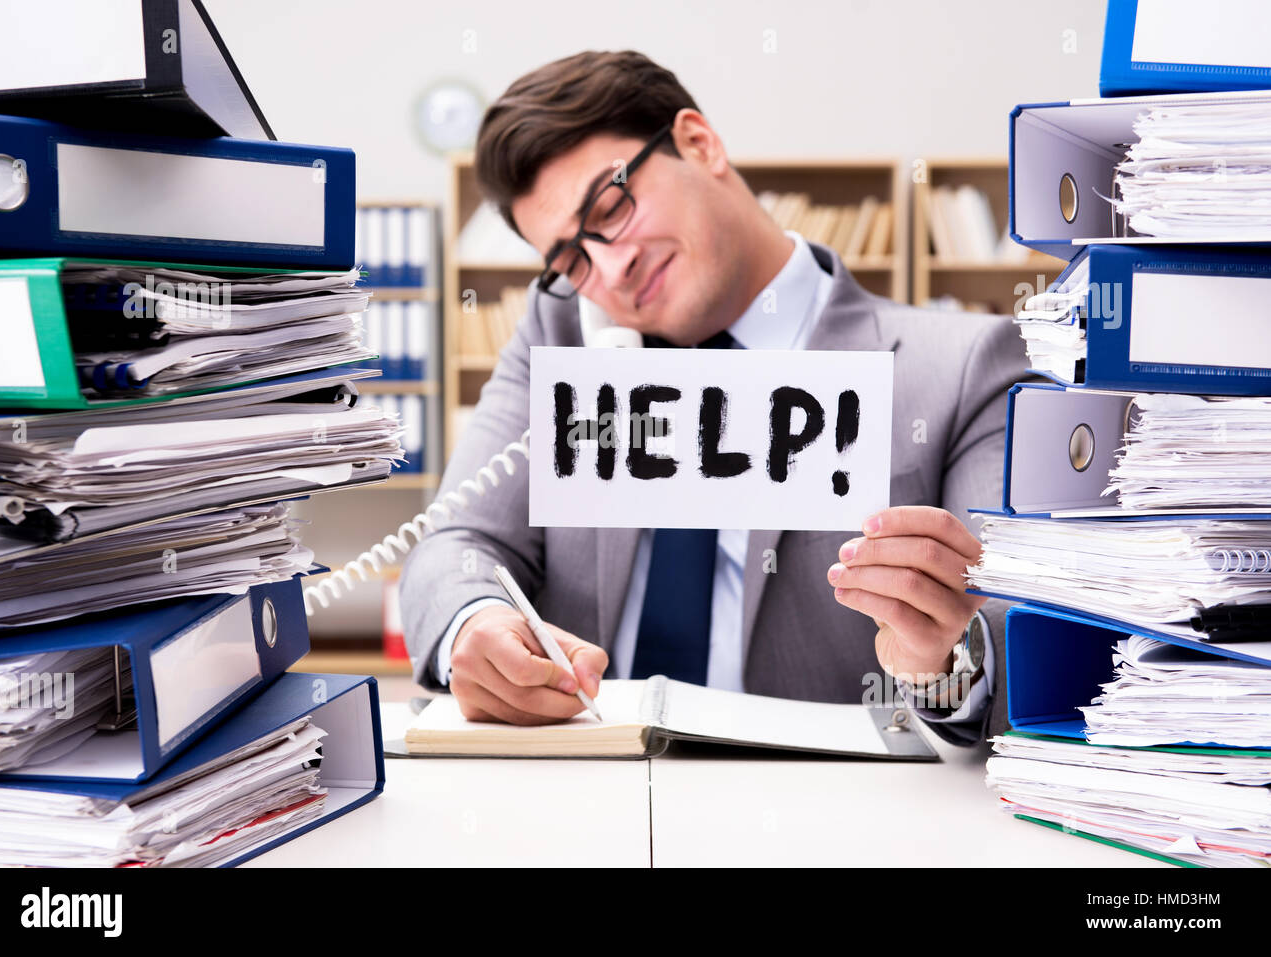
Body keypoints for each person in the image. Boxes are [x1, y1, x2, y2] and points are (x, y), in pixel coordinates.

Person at [400, 50, 1029, 745]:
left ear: (700, 144)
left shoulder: (964, 366)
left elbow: (1018, 650)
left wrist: (940, 665)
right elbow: (455, 544)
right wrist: (476, 621)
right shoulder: (563, 338)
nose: (611, 267)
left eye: (611, 206)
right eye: (572, 260)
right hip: (584, 796)